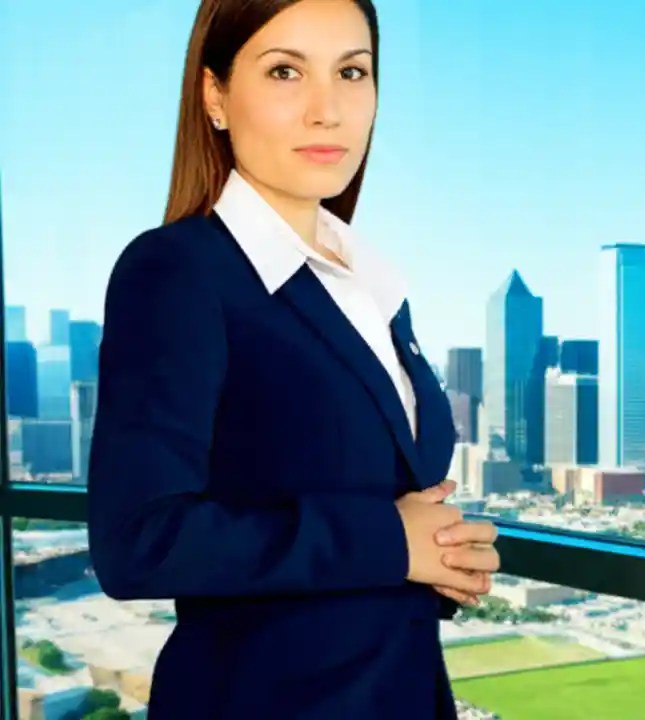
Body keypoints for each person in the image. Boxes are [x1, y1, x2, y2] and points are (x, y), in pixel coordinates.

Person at [85, 0, 499, 717]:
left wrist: (441, 558)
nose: (327, 109)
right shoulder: (178, 272)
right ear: (215, 96)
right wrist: (390, 542)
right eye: (285, 72)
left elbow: (368, 504)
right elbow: (136, 543)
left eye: (352, 72)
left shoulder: (370, 285)